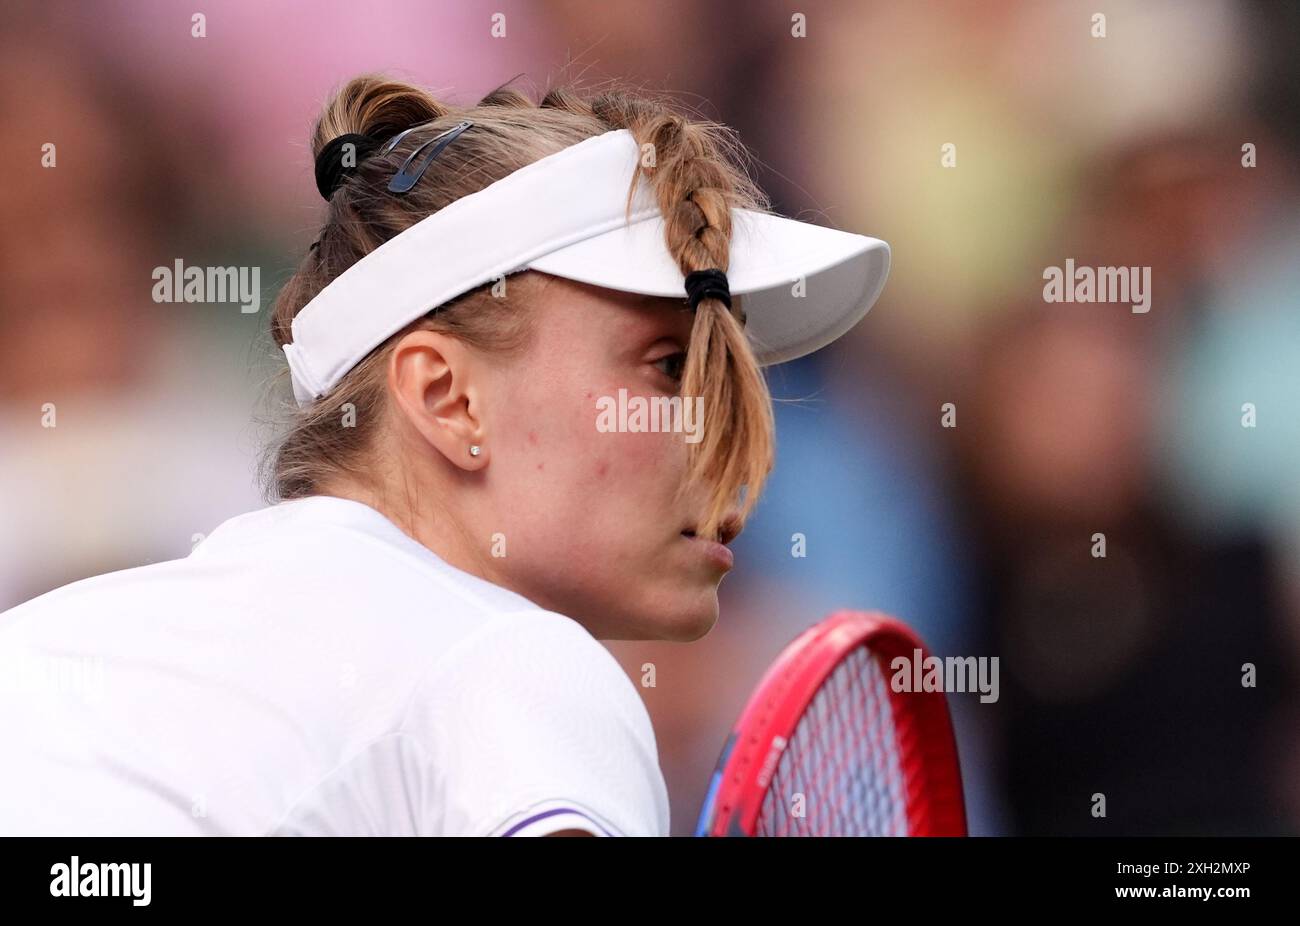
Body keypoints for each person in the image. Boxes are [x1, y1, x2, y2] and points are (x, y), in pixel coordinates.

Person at [0, 75, 889, 836]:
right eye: (667, 368)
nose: (735, 461)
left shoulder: (46, 649)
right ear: (445, 396)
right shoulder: (521, 663)